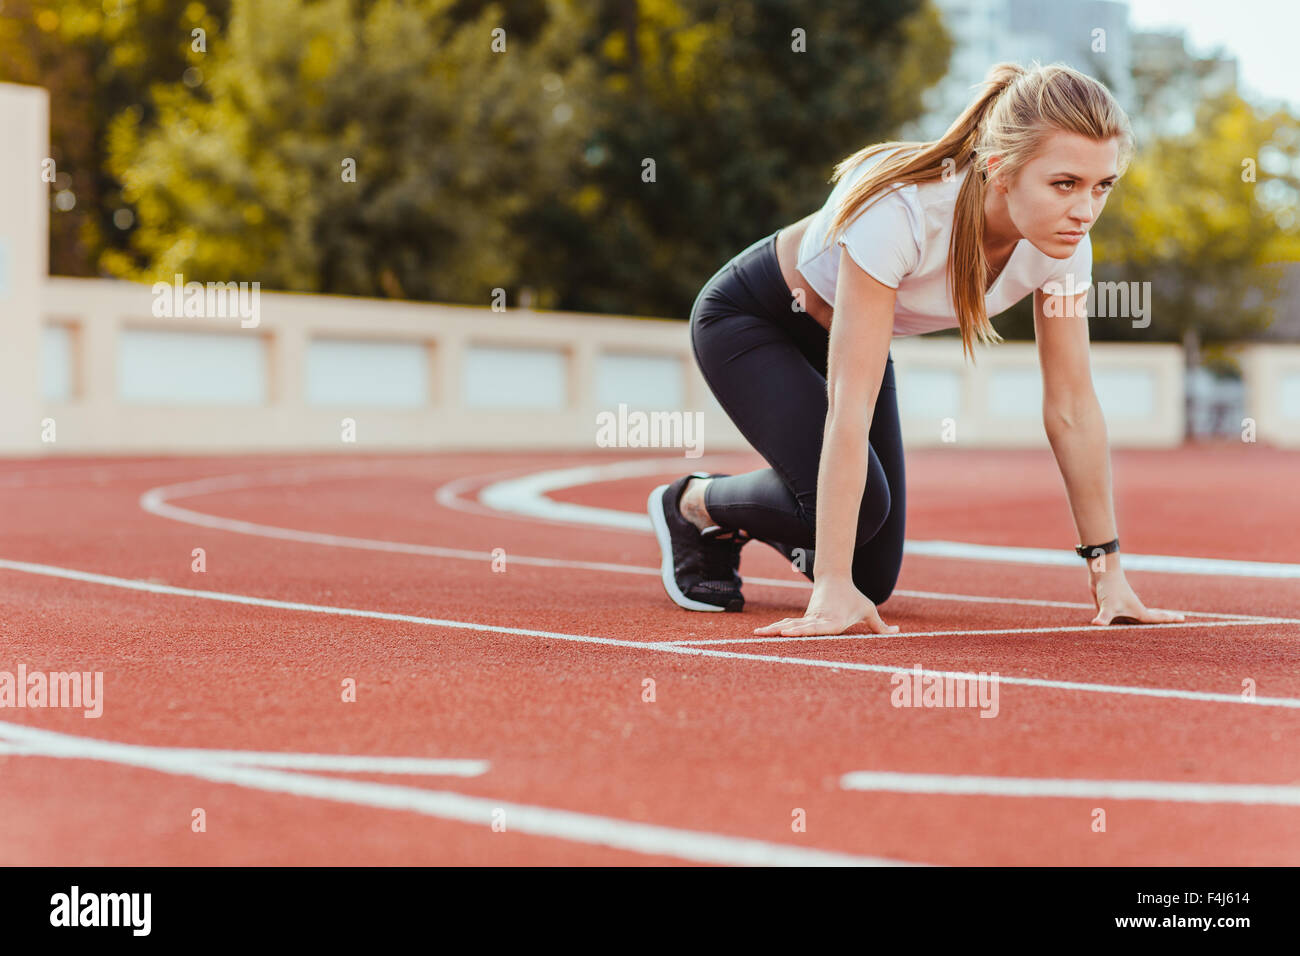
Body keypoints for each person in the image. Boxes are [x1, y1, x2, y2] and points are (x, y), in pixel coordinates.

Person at [647, 60, 1186, 637]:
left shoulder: (1066, 249)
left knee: (872, 582)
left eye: (1102, 186)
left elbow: (1073, 407)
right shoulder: (903, 210)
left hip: (846, 336)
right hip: (753, 320)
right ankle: (693, 505)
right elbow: (849, 406)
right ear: (1000, 168)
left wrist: (1108, 574)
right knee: (860, 522)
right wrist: (828, 587)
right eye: (1064, 184)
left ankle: (789, 515)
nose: (1085, 211)